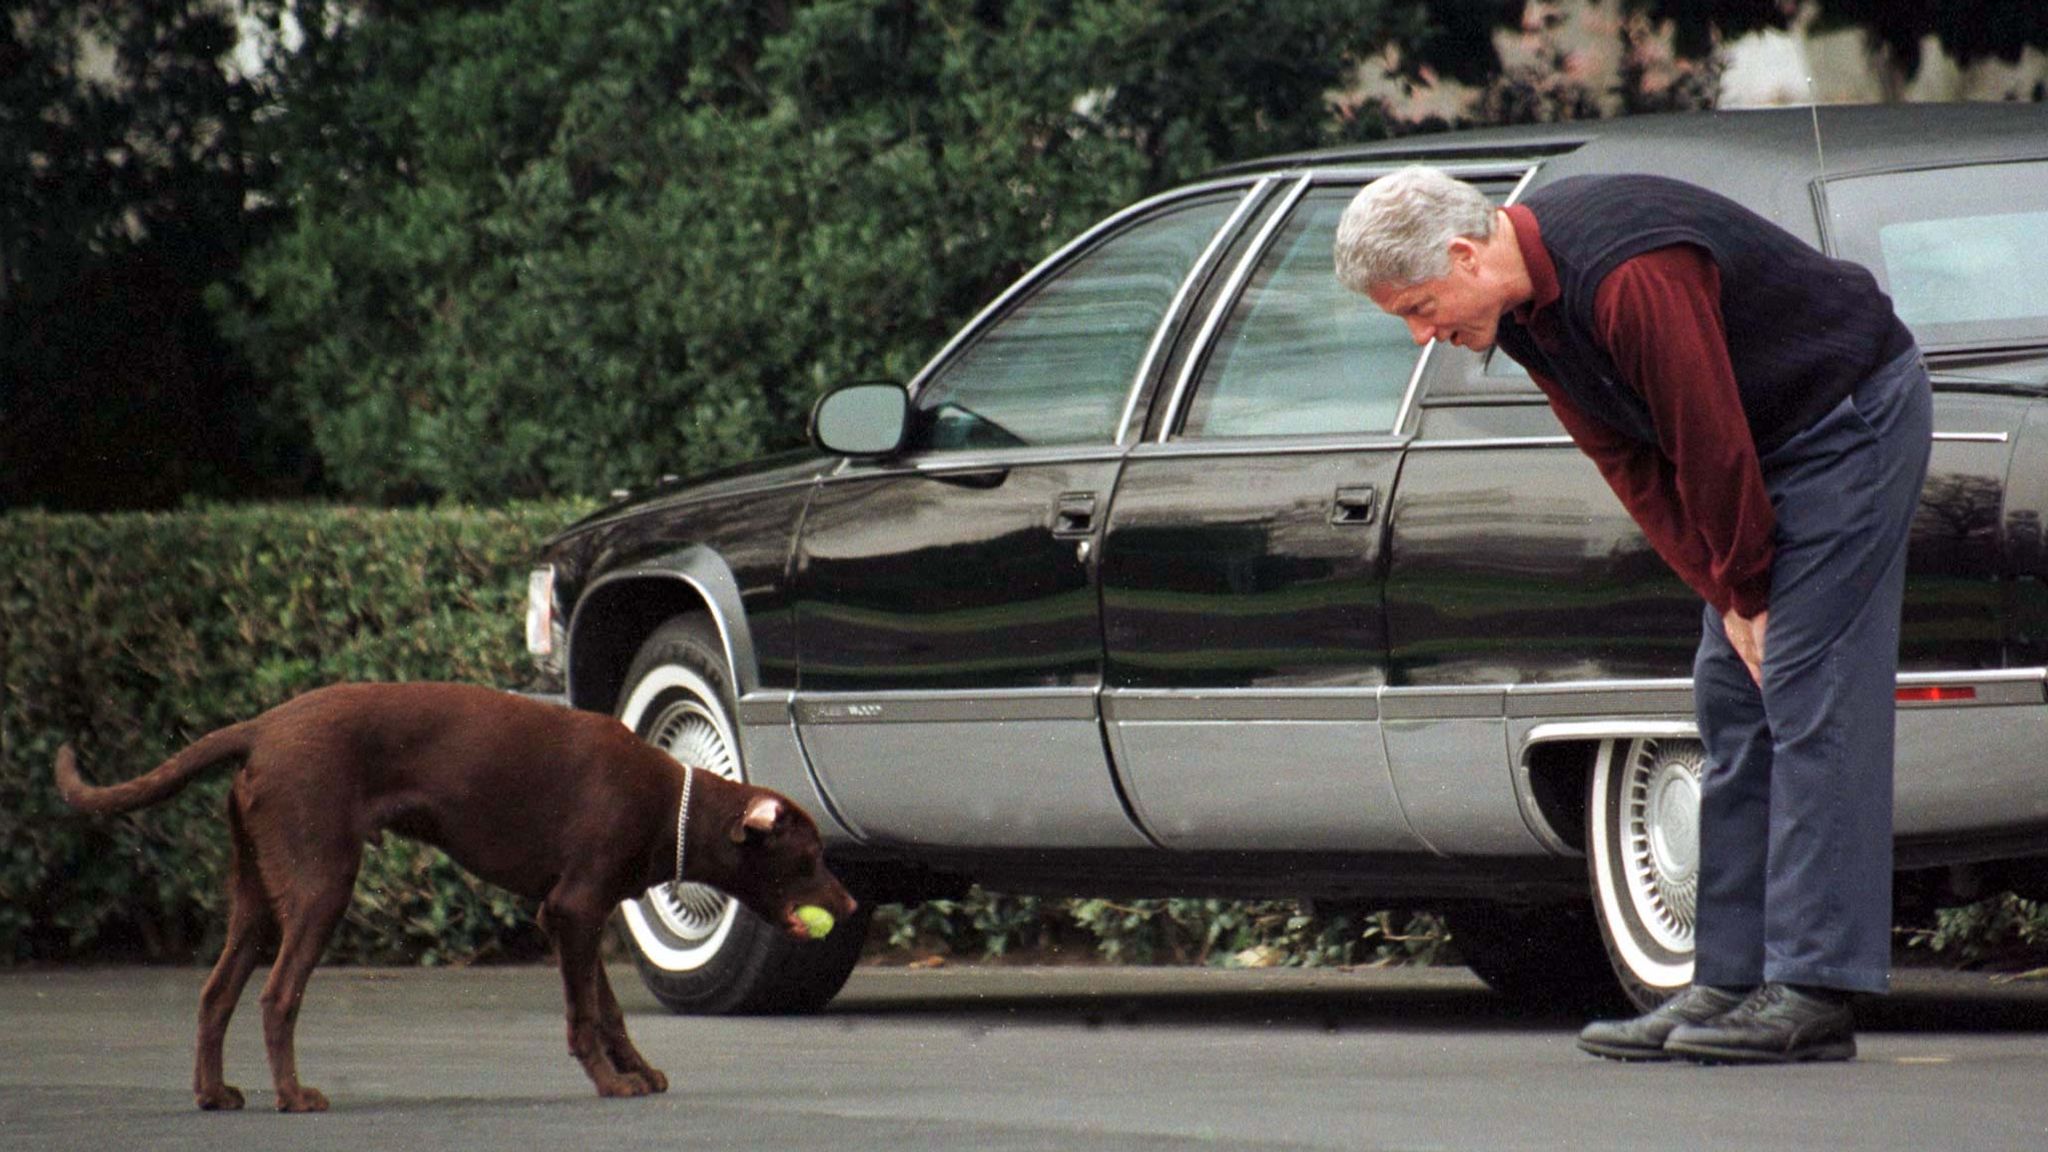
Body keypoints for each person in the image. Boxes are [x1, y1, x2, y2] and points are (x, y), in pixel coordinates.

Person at [1334, 166, 1931, 1064]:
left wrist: (1752, 593)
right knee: (1730, 702)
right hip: (1753, 451)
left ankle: (1813, 991)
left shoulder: (1628, 274)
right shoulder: (1522, 313)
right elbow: (1630, 461)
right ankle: (1728, 983)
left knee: (1810, 697)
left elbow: (1707, 440)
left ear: (1463, 255)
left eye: (1419, 308)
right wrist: (1728, 594)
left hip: (1845, 425)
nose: (1423, 335)